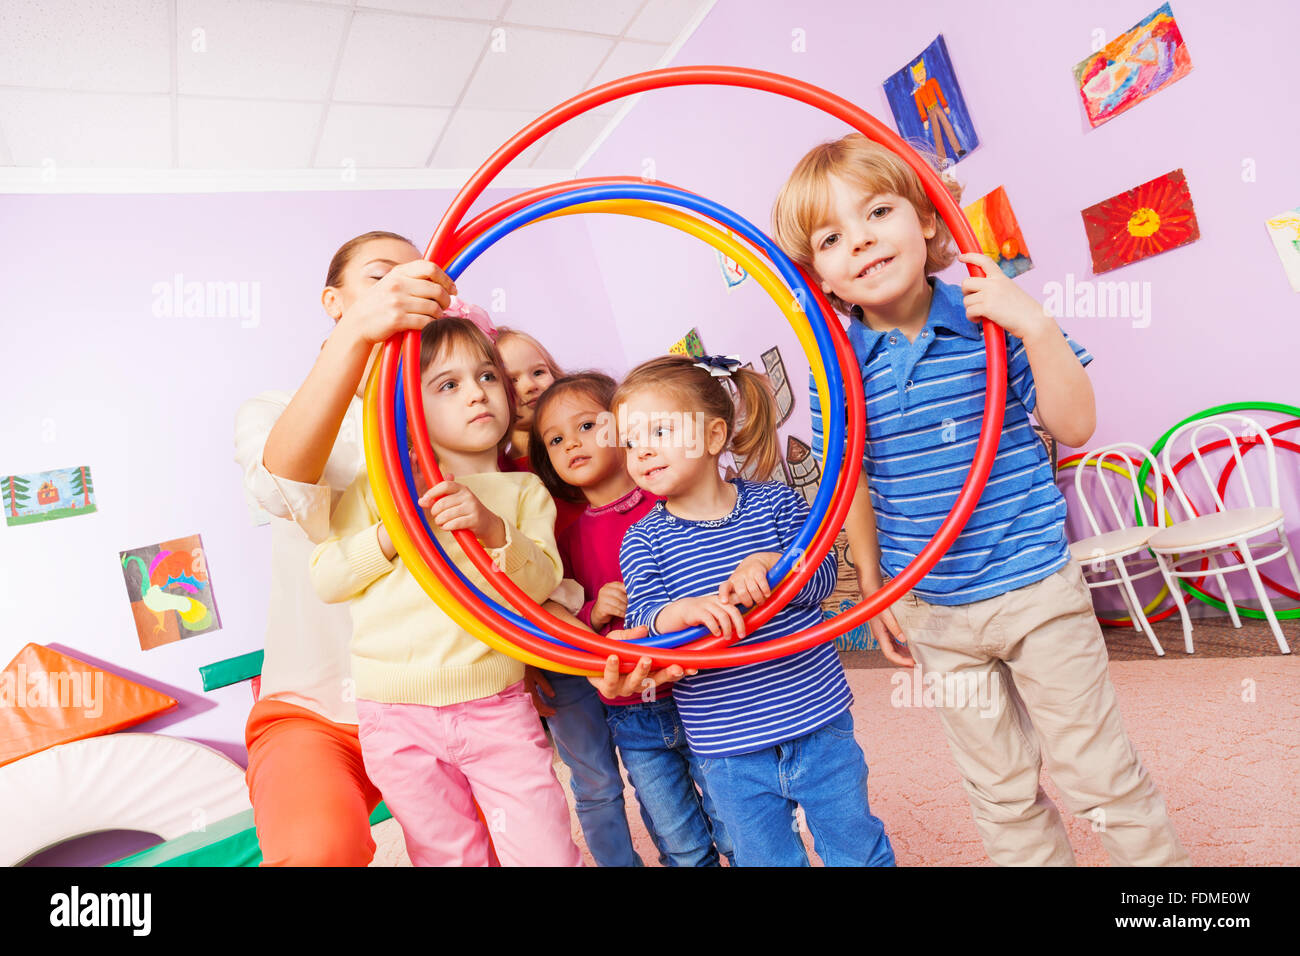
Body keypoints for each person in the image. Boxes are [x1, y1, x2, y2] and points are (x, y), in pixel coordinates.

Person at [772, 132, 1189, 866]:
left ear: (928, 220)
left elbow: (1076, 424)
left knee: (1098, 776)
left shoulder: (987, 316)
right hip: (935, 613)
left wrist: (1033, 324)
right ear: (821, 277)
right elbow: (852, 481)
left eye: (877, 212)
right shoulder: (834, 370)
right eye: (832, 237)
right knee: (998, 790)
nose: (862, 242)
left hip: (1035, 590)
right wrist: (874, 586)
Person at [308, 315, 580, 867]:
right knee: (446, 854)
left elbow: (543, 582)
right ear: (410, 410)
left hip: (497, 707)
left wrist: (493, 530)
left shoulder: (525, 489)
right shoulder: (378, 487)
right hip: (394, 711)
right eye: (448, 385)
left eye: (486, 377)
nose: (477, 394)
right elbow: (328, 578)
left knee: (545, 847)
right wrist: (391, 536)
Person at [616, 355, 896, 867]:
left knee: (857, 847)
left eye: (658, 430)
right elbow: (649, 617)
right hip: (727, 745)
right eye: (630, 440)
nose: (642, 450)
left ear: (714, 434)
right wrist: (683, 611)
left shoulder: (777, 504)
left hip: (817, 718)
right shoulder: (642, 539)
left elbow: (825, 581)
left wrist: (774, 565)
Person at [233, 230, 455, 865]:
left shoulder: (445, 419)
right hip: (318, 714)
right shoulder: (273, 409)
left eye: (419, 279)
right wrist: (361, 333)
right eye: (382, 276)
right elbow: (281, 484)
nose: (405, 289)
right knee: (316, 852)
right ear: (334, 302)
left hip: (442, 696)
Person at [531, 372, 733, 866]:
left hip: (702, 691)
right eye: (556, 439)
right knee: (679, 841)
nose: (572, 443)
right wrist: (590, 610)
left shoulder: (668, 499)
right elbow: (558, 603)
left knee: (735, 818)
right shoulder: (566, 534)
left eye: (586, 426)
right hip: (632, 710)